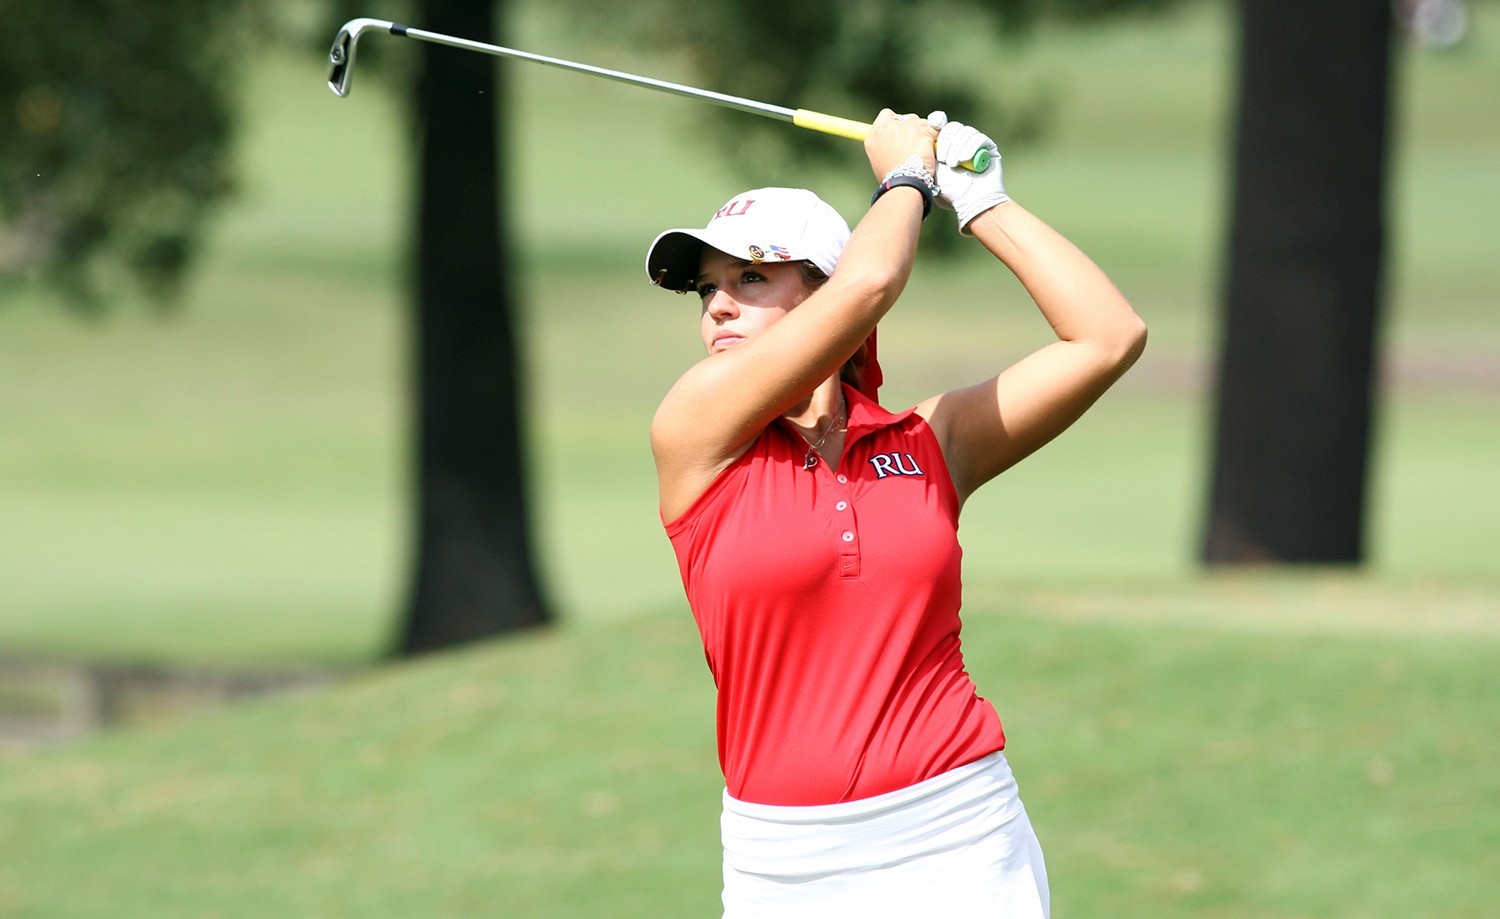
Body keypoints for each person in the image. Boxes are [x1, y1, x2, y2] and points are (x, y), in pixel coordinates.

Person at [644, 110, 1146, 917]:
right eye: (708, 289)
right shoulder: (697, 431)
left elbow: (1108, 335)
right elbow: (875, 281)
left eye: (751, 278)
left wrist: (983, 204)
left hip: (961, 833)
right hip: (785, 863)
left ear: (826, 295)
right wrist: (907, 174)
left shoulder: (928, 443)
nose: (719, 308)